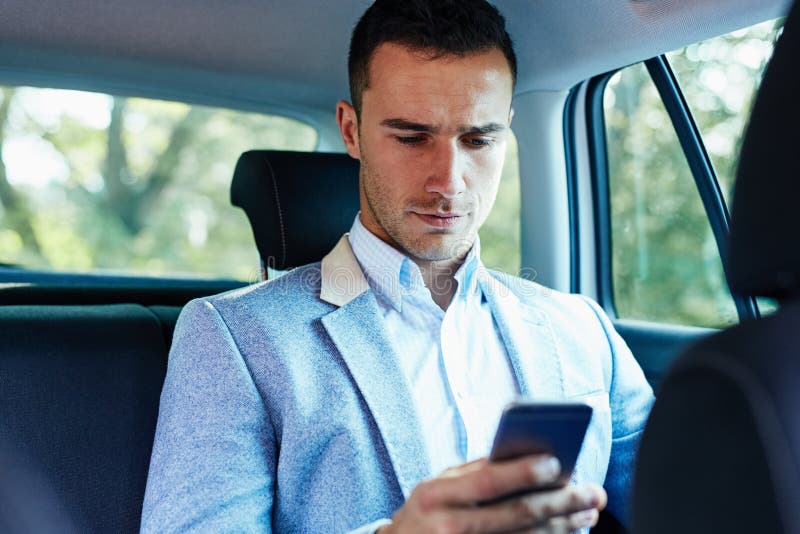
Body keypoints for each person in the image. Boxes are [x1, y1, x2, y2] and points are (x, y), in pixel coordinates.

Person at [141, 1, 654, 532]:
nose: (449, 182)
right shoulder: (235, 338)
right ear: (351, 130)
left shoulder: (581, 328)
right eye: (411, 137)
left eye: (479, 139)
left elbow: (684, 501)